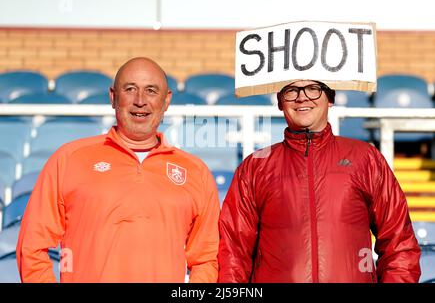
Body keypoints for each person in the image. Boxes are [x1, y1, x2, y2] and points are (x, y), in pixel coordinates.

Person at [16, 57, 220, 283]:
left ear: (166, 100)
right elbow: (32, 246)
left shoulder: (195, 171)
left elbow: (207, 259)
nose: (140, 101)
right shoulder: (69, 159)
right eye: (130, 89)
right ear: (113, 97)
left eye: (151, 91)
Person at [218, 80, 421, 283]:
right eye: (291, 90)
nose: (302, 97)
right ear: (280, 101)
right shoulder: (255, 166)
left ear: (330, 98)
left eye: (313, 89)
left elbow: (399, 243)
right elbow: (234, 252)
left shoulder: (365, 158)